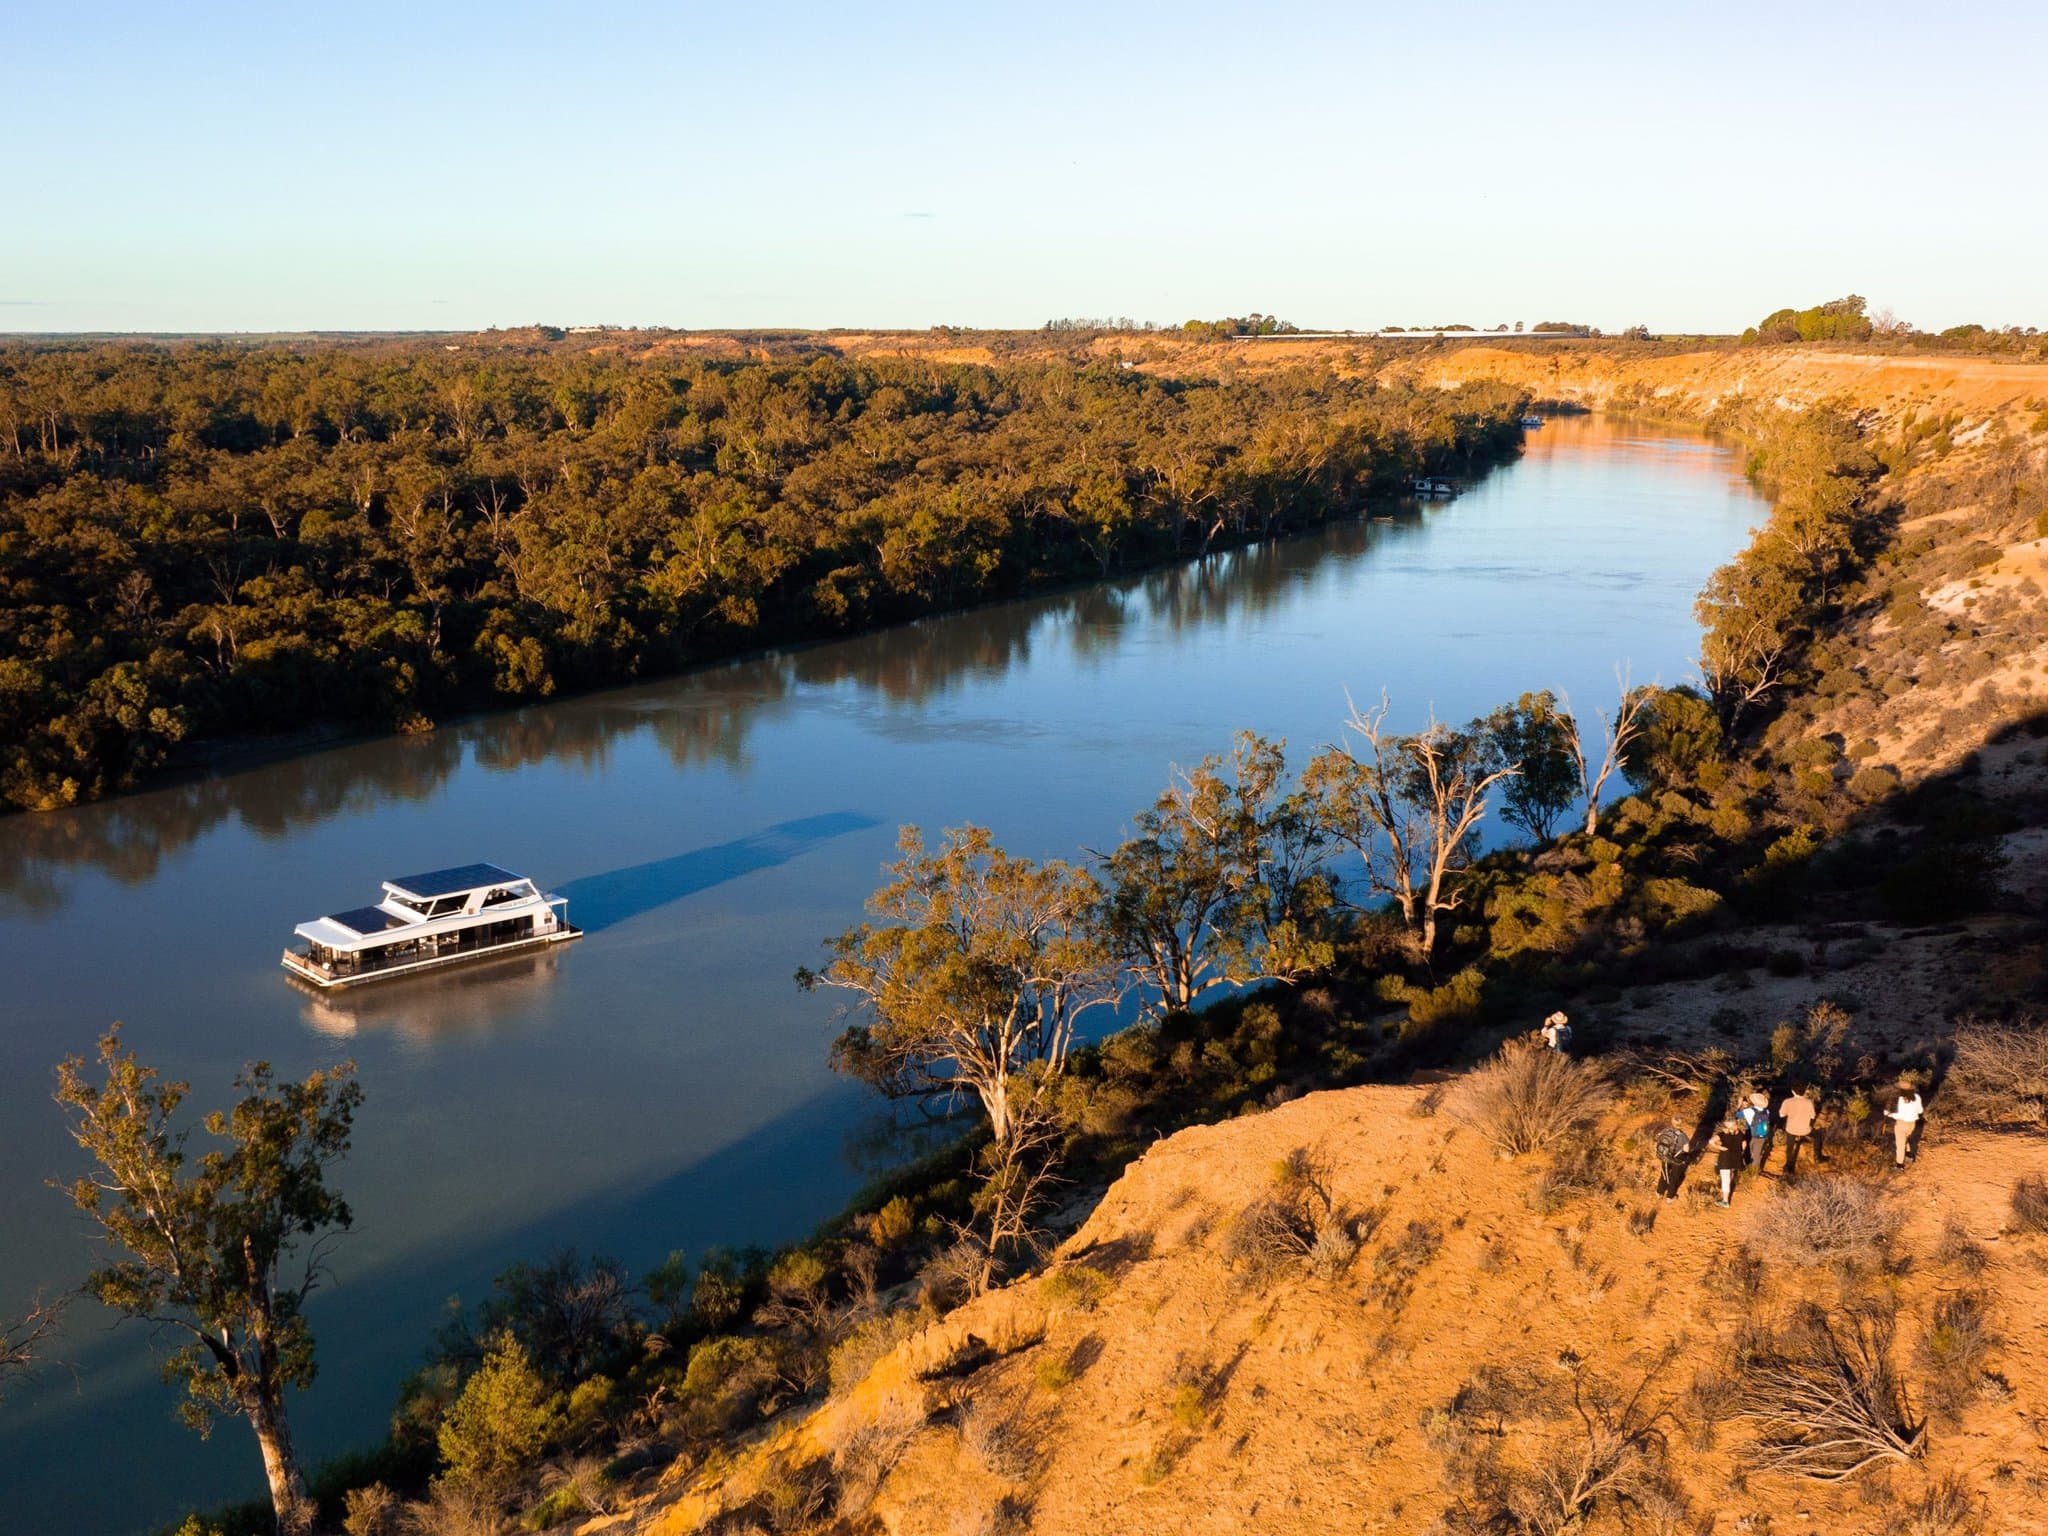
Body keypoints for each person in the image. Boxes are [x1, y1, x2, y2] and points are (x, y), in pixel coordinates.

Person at [1777, 1084, 1821, 1176]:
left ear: (1793, 1091)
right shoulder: (1809, 1102)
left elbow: (1781, 1115)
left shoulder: (1787, 1101)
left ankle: (1788, 1166)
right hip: (1805, 1130)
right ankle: (1817, 1156)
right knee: (1817, 1135)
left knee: (1790, 1146)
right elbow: (1813, 1116)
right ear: (1804, 1091)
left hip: (1791, 1129)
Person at [1884, 1081, 1925, 1169]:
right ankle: (1909, 1156)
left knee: (1900, 1144)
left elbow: (1900, 1115)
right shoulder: (1917, 1097)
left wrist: (1889, 1115)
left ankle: (1899, 1165)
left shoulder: (1901, 1099)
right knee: (1908, 1138)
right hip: (1912, 1123)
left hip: (1901, 1124)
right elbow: (1920, 1111)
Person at [1738, 1091, 1774, 1175]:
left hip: (1751, 1134)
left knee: (1748, 1151)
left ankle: (1749, 1169)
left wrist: (1740, 1104)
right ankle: (1755, 1171)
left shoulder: (1749, 1111)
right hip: (1763, 1135)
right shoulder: (1767, 1111)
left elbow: (1737, 1115)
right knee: (1757, 1154)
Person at [1712, 1118, 1746, 1207]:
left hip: (1725, 1159)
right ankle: (1727, 1191)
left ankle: (1725, 1201)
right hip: (1736, 1158)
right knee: (1731, 1174)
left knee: (1725, 1180)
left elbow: (1711, 1141)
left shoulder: (1723, 1134)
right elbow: (1744, 1144)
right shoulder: (1740, 1133)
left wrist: (1720, 1147)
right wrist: (1740, 1151)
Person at [1653, 1122, 1690, 1200]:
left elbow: (1658, 1141)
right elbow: (1686, 1149)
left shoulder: (1665, 1130)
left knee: (1664, 1174)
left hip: (1665, 1155)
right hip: (1677, 1158)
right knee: (1674, 1177)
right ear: (1681, 1124)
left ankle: (1659, 1192)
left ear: (1672, 1123)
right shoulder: (1683, 1136)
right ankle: (1670, 1197)